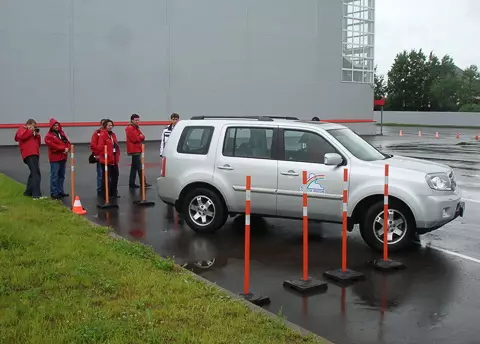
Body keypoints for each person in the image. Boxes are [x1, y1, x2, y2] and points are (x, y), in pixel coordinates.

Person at [14, 119, 45, 199]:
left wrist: (37, 135)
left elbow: (38, 144)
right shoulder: (22, 129)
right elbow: (21, 137)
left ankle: (28, 192)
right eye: (33, 126)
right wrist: (31, 131)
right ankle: (36, 195)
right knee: (36, 173)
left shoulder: (32, 133)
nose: (34, 128)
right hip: (29, 154)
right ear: (28, 124)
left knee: (33, 173)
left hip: (34, 154)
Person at [44, 118, 71, 200]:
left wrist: (67, 149)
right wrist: (64, 149)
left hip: (63, 157)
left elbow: (67, 142)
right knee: (55, 175)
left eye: (57, 125)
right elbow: (53, 146)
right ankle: (54, 192)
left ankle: (60, 191)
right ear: (51, 126)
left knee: (61, 175)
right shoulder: (49, 136)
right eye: (54, 125)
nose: (56, 126)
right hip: (55, 159)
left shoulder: (61, 133)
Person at [125, 114, 151, 189]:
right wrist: (140, 137)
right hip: (134, 149)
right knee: (139, 167)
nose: (137, 121)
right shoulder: (130, 128)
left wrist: (140, 136)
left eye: (138, 120)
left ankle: (132, 183)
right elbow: (135, 139)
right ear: (132, 120)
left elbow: (142, 136)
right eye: (136, 120)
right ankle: (143, 182)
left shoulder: (135, 128)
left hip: (137, 149)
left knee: (134, 167)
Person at [97, 119, 120, 199]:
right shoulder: (103, 135)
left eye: (111, 125)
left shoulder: (113, 135)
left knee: (115, 176)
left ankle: (113, 193)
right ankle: (105, 194)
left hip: (114, 159)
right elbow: (100, 147)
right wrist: (105, 154)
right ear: (105, 126)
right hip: (106, 160)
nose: (110, 127)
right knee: (106, 178)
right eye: (109, 125)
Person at [90, 119, 107, 195]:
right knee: (100, 174)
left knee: (108, 174)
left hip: (108, 157)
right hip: (100, 157)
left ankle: (107, 189)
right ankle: (100, 189)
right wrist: (96, 154)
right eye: (103, 124)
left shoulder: (109, 133)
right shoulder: (97, 133)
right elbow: (93, 145)